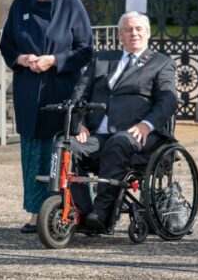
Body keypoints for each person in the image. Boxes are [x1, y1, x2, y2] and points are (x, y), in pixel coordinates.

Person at [0, 0, 93, 234]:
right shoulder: (21, 4)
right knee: (32, 154)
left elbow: (85, 50)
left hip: (61, 89)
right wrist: (21, 59)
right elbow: (6, 45)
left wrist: (54, 60)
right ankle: (35, 212)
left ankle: (71, 210)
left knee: (60, 153)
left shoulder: (72, 5)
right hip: (29, 91)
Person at [69, 12, 178, 231]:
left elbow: (168, 100)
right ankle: (81, 211)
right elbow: (80, 93)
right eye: (128, 30)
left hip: (139, 134)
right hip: (98, 134)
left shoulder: (161, 63)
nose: (134, 34)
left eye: (138, 29)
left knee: (118, 141)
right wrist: (78, 123)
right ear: (120, 35)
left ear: (148, 33)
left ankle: (102, 212)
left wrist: (146, 124)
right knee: (66, 146)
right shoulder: (101, 59)